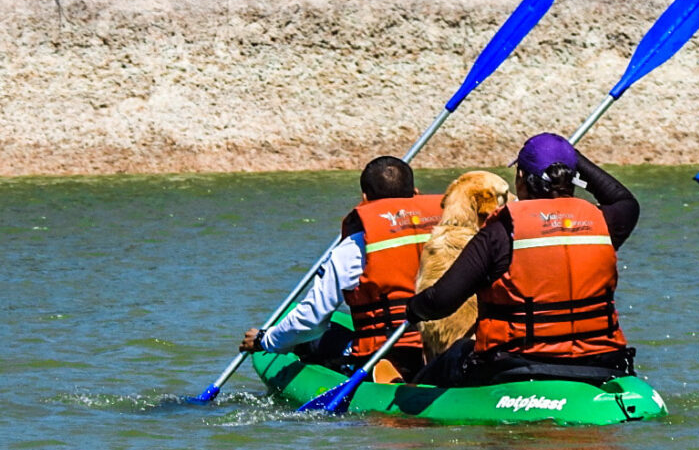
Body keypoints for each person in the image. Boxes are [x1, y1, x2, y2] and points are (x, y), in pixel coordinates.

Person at [406, 133, 639, 387]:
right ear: (572, 177)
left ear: (521, 179)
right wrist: (568, 157)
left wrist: (414, 309)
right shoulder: (602, 223)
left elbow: (441, 301)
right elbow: (623, 199)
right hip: (603, 361)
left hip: (519, 363)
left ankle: (403, 396)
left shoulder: (500, 231)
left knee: (454, 356)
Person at [239, 155, 443, 379]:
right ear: (415, 192)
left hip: (387, 350)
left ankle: (384, 372)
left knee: (317, 337)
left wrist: (264, 339)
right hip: (441, 344)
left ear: (364, 198)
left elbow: (311, 320)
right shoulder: (449, 233)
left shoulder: (352, 248)